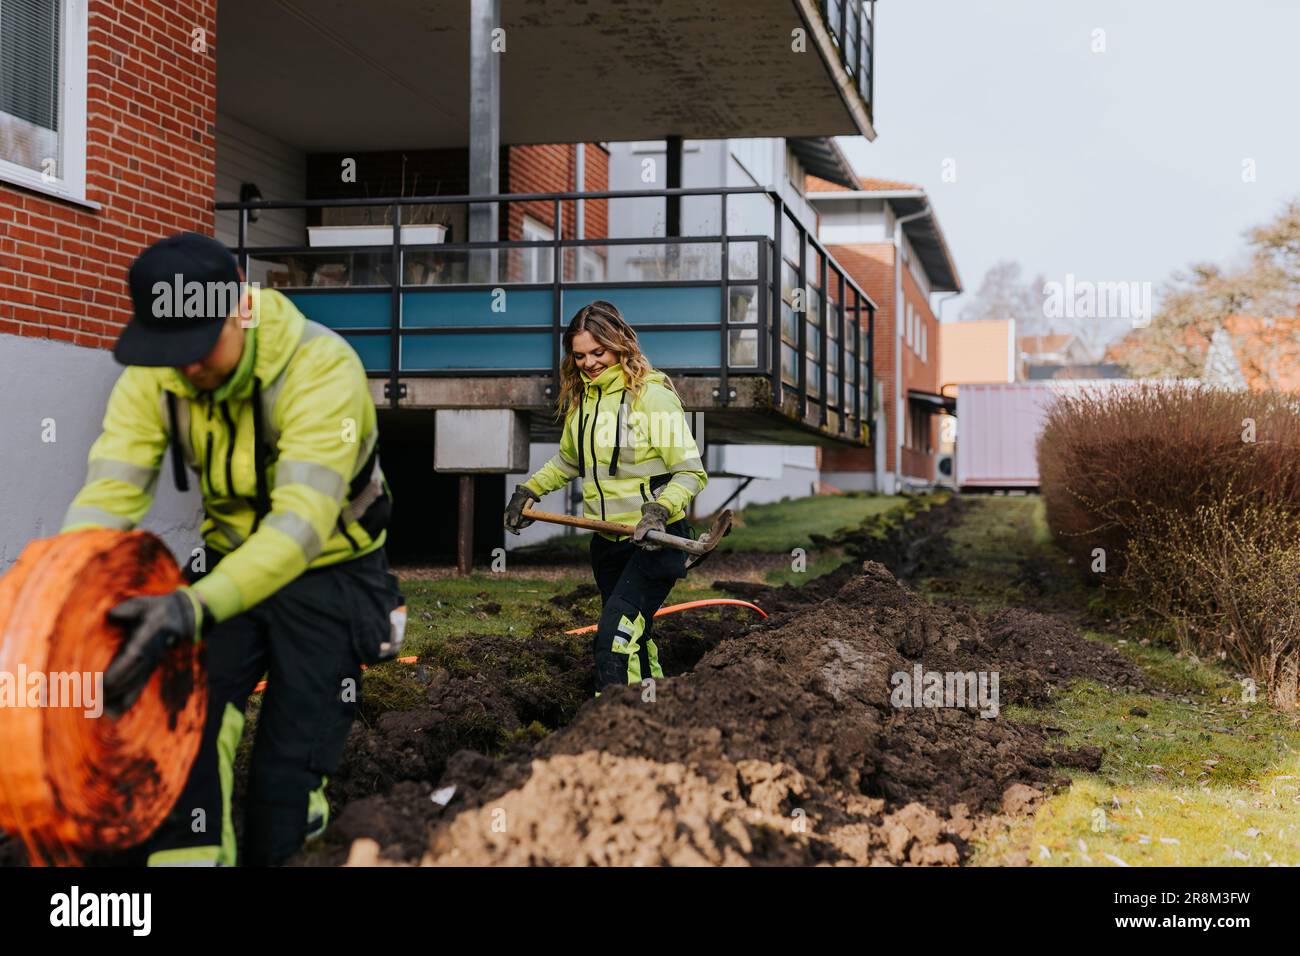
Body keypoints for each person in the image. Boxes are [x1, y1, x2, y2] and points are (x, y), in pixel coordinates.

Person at [62, 232, 404, 866]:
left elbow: (300, 528)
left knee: (286, 765)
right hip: (229, 561)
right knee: (185, 721)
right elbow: (111, 493)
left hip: (330, 568)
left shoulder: (320, 369)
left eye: (199, 345)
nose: (186, 366)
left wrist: (191, 608)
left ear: (240, 309)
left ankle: (295, 832)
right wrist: (69, 587)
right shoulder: (159, 375)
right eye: (170, 349)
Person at [504, 300, 708, 693]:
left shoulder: (650, 396)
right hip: (608, 543)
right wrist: (529, 490)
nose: (589, 363)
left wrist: (660, 510)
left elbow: (690, 471)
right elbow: (568, 460)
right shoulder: (585, 399)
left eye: (598, 352)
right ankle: (657, 709)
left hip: (653, 542)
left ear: (620, 344)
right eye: (579, 356)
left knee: (613, 640)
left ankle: (613, 725)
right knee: (635, 635)